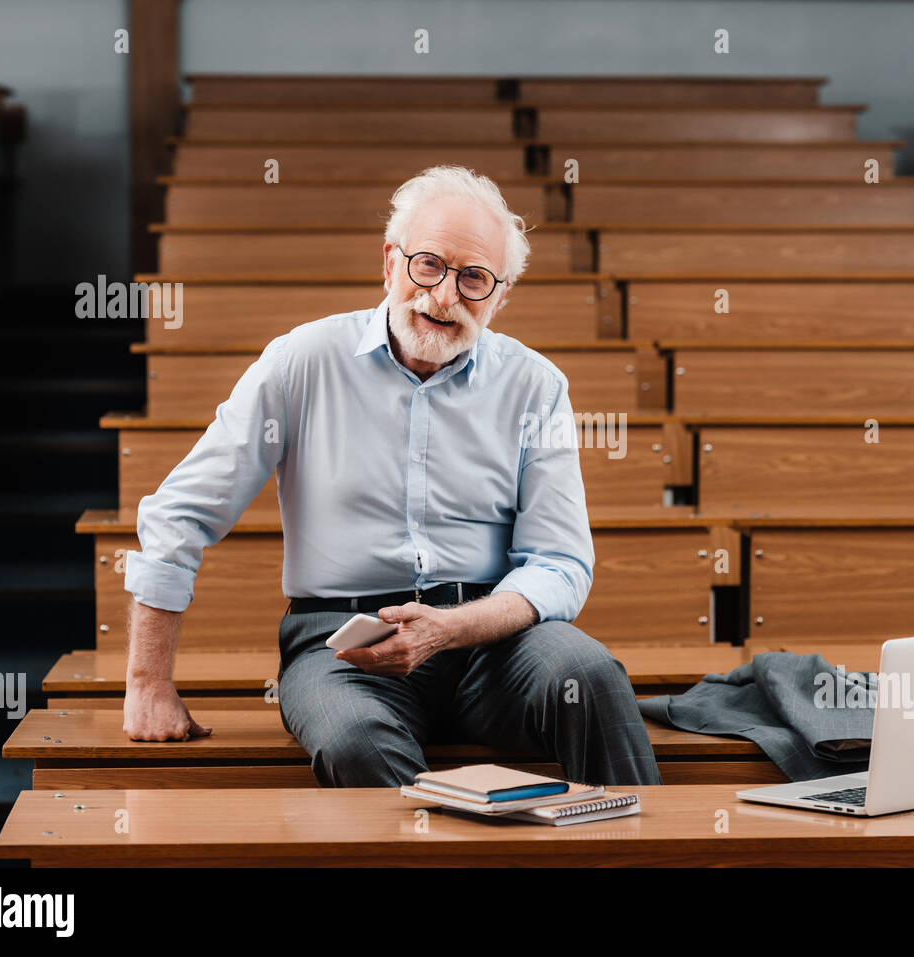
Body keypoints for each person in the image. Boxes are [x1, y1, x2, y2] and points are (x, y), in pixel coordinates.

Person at [120, 165, 663, 788]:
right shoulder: (301, 361)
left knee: (589, 678)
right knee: (354, 739)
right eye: (428, 265)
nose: (443, 296)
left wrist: (449, 629)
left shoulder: (535, 385)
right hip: (341, 647)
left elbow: (560, 564)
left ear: (501, 296)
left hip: (492, 641)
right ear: (390, 263)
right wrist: (148, 683)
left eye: (474, 279)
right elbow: (181, 514)